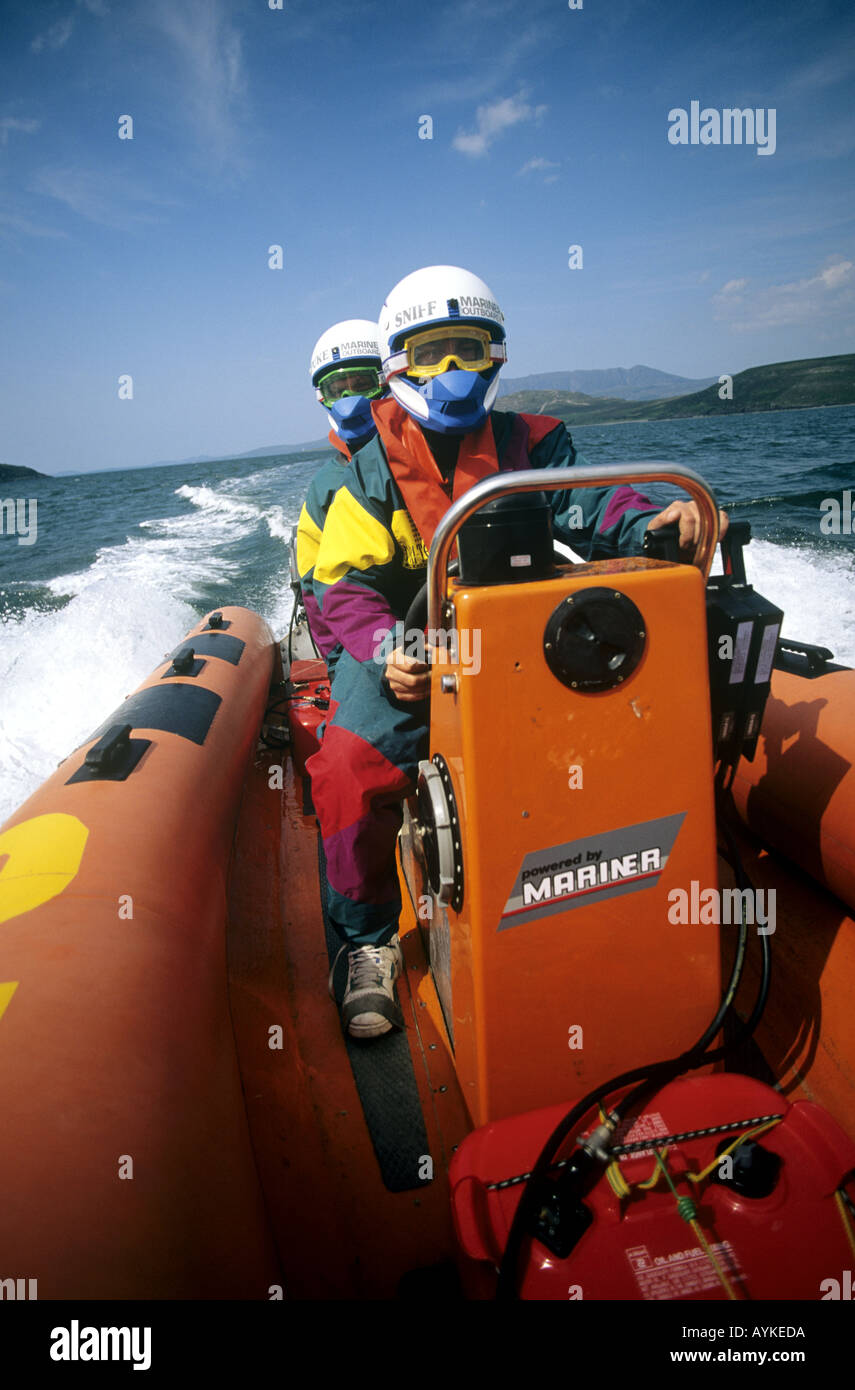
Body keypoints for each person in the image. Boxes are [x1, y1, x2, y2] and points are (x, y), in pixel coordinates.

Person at [308, 265, 728, 1039]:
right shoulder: (368, 465)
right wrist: (386, 651)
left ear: (494, 356)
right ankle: (366, 945)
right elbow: (341, 583)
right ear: (399, 362)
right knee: (345, 768)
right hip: (417, 648)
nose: (451, 372)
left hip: (527, 633)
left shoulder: (534, 439)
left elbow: (596, 500)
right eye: (432, 353)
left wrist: (656, 524)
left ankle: (613, 890)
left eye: (466, 349)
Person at [294, 320, 387, 661]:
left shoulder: (431, 458)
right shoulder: (324, 489)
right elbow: (314, 587)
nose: (350, 400)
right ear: (323, 397)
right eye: (338, 389)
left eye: (362, 384)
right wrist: (340, 664)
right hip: (369, 649)